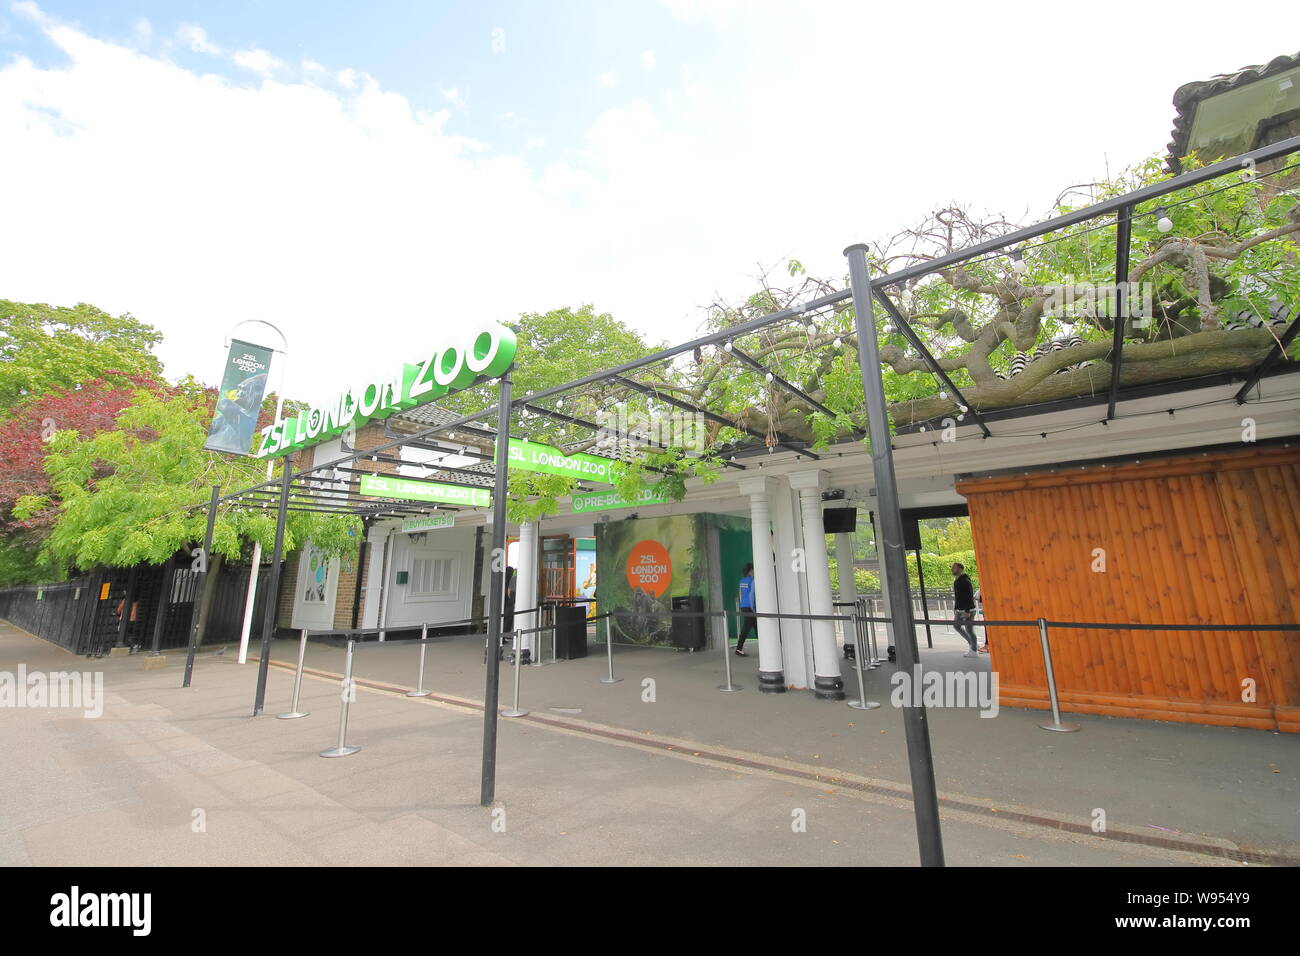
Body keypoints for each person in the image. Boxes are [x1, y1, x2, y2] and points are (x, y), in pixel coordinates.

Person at [951, 562, 978, 657]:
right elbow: (958, 596)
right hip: (960, 609)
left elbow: (969, 596)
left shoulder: (965, 581)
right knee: (956, 626)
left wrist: (967, 611)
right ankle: (972, 644)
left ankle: (974, 650)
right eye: (952, 567)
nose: (952, 569)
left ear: (960, 569)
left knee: (969, 630)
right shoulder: (957, 580)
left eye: (954, 568)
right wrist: (955, 608)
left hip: (968, 610)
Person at [735, 563, 756, 656]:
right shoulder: (752, 580)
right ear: (751, 570)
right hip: (750, 607)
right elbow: (752, 594)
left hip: (743, 606)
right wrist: (754, 607)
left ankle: (739, 648)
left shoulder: (742, 581)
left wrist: (741, 604)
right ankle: (739, 648)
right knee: (746, 628)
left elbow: (740, 594)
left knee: (756, 626)